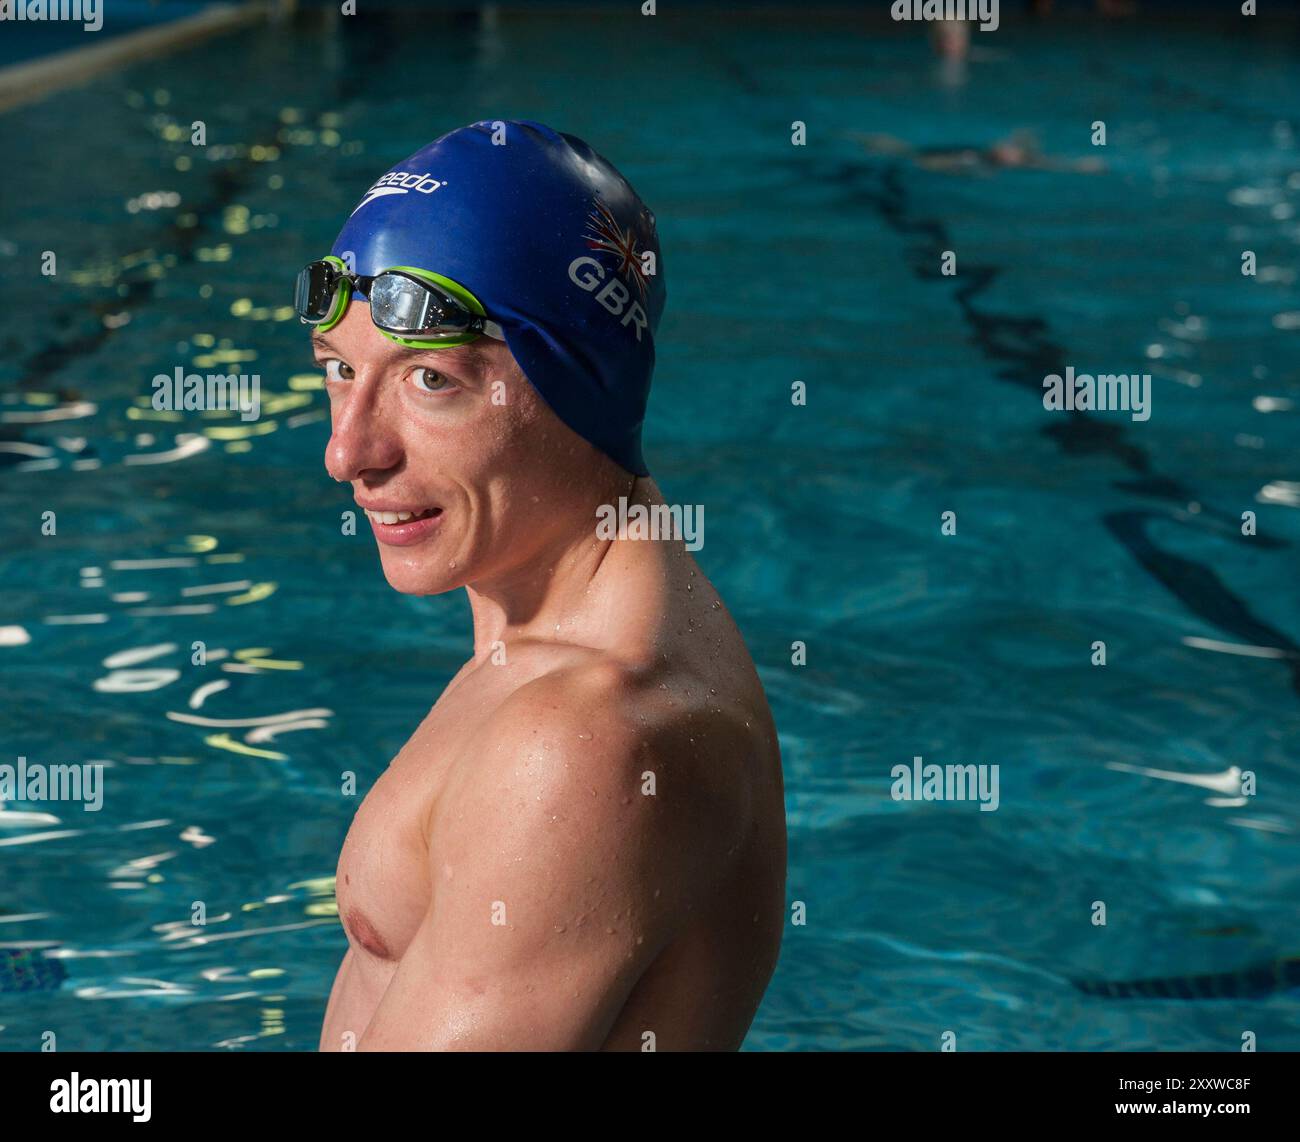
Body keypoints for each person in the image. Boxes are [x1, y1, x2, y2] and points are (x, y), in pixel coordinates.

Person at [298, 120, 787, 1051]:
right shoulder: (573, 611)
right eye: (339, 372)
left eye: (430, 381)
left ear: (581, 386)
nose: (348, 453)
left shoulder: (579, 748)